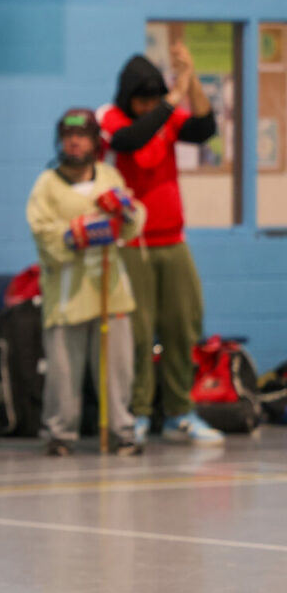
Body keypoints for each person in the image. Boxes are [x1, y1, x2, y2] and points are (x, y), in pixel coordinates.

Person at [97, 41, 222, 445]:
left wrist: (193, 79)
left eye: (155, 99)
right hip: (133, 245)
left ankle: (179, 412)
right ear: (128, 98)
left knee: (183, 323)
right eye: (143, 100)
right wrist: (170, 100)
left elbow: (205, 128)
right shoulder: (110, 117)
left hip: (173, 240)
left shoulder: (165, 115)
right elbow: (131, 141)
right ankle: (137, 412)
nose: (150, 106)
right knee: (138, 330)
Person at [26, 109, 146, 456]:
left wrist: (126, 212)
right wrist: (75, 234)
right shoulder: (47, 184)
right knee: (64, 371)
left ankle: (122, 430)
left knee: (116, 370)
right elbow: (43, 232)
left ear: (95, 142)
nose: (75, 142)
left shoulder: (110, 176)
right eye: (68, 136)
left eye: (82, 136)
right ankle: (60, 432)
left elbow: (132, 224)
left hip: (110, 289)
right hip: (67, 294)